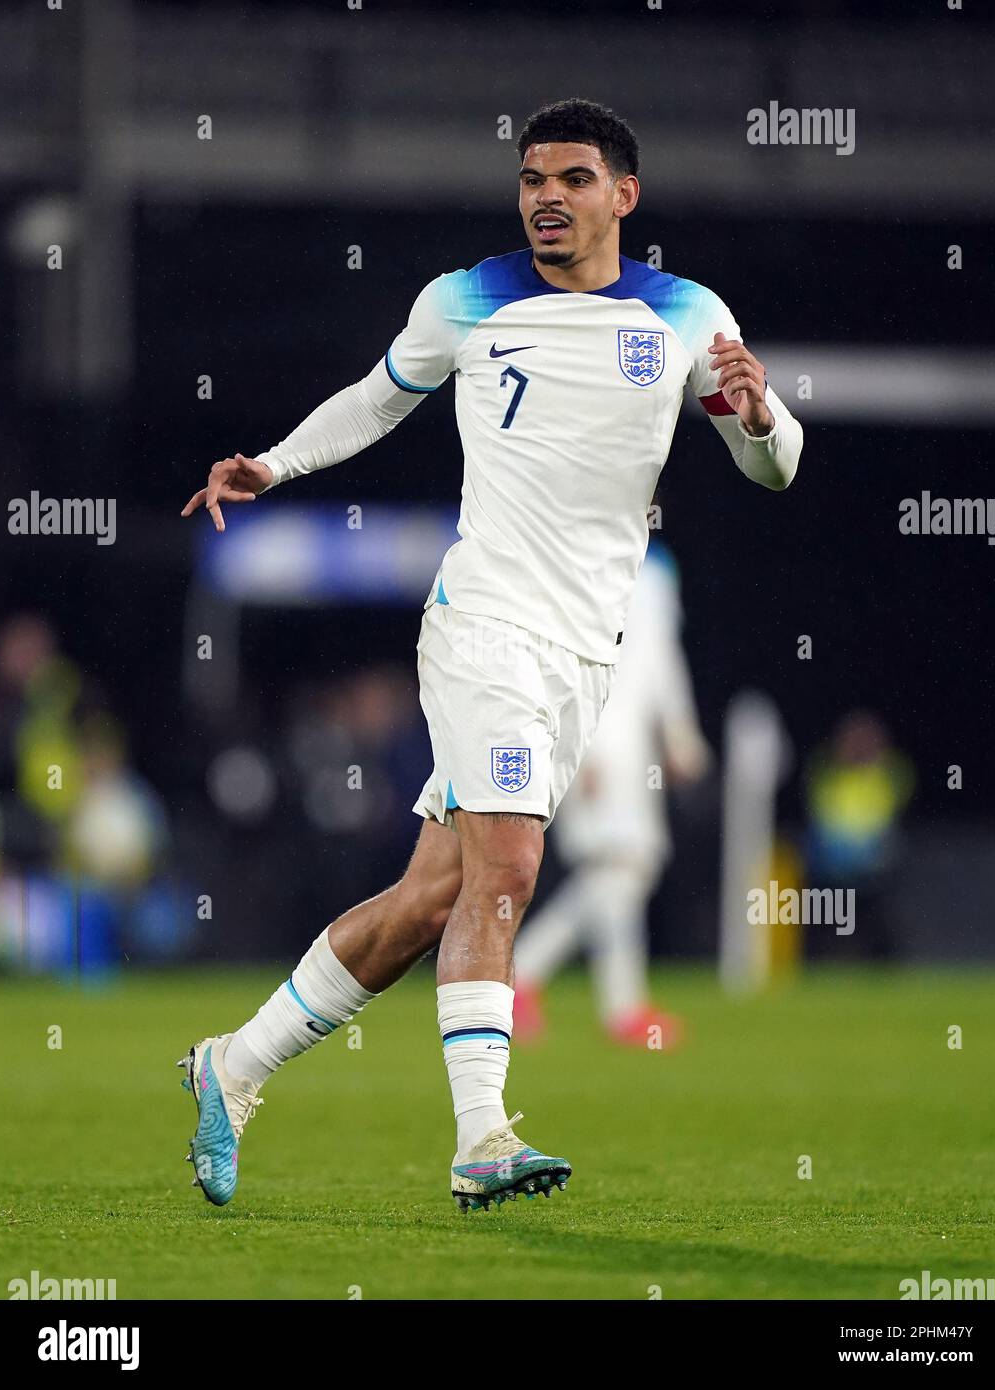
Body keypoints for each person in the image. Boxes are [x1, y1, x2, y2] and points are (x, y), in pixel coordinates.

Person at [178, 98, 803, 1213]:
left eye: (570, 178)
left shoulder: (684, 315)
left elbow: (776, 471)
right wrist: (269, 466)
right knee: (509, 868)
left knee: (434, 897)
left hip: (583, 657)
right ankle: (481, 1137)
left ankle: (233, 1065)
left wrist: (761, 420)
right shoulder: (466, 297)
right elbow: (376, 402)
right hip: (485, 625)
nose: (545, 198)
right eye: (529, 179)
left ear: (625, 196)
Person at [513, 539, 710, 1049]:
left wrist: (673, 735)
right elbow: (570, 657)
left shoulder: (644, 565)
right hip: (601, 738)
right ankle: (621, 1008)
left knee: (618, 871)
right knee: (623, 866)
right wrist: (588, 745)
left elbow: (652, 661)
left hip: (625, 742)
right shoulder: (591, 559)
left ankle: (527, 979)